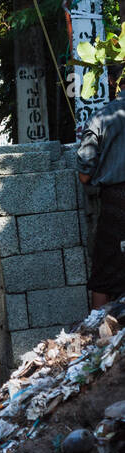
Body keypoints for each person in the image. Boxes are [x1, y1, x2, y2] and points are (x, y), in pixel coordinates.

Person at [77, 83, 125, 308]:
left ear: (118, 86)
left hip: (116, 199)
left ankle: (96, 336)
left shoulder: (101, 117)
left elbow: (84, 175)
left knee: (104, 271)